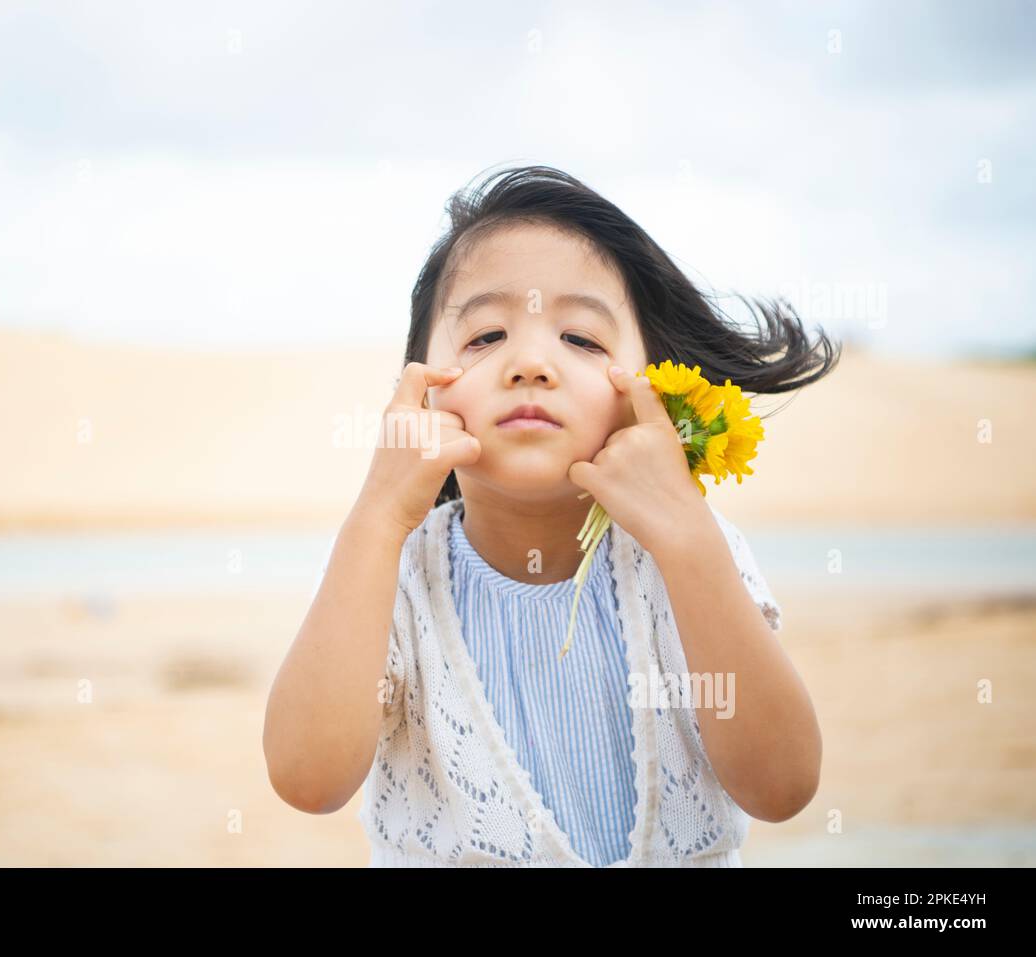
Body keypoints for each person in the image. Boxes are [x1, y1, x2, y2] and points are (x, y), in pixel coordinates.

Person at [264, 164, 836, 866]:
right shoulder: (392, 569)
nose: (530, 362)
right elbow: (307, 777)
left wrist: (688, 539)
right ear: (419, 392)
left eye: (583, 340)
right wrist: (377, 517)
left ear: (650, 391)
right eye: (484, 337)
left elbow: (782, 786)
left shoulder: (693, 552)